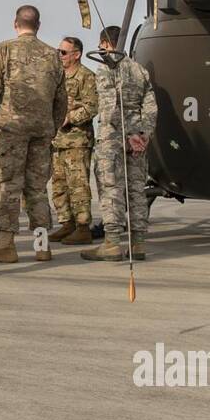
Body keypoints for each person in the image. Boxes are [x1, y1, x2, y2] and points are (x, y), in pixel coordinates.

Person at [0, 5, 66, 264]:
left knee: (8, 186)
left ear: (16, 23)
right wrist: (52, 126)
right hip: (42, 130)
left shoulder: (4, 50)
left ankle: (5, 245)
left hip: (12, 129)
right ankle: (42, 246)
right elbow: (61, 99)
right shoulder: (53, 55)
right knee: (37, 188)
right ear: (38, 25)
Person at [81, 26, 157, 262]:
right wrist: (143, 135)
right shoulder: (140, 70)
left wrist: (130, 134)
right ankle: (139, 243)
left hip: (113, 139)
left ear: (106, 44)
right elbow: (151, 108)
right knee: (136, 191)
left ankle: (112, 243)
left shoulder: (106, 68)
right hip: (138, 143)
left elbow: (111, 107)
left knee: (112, 189)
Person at [50, 36, 99, 245]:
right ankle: (66, 223)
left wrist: (70, 117)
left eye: (63, 52)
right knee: (59, 186)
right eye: (58, 51)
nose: (59, 55)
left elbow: (92, 106)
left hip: (77, 141)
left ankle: (82, 227)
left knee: (78, 185)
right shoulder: (57, 77)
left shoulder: (87, 77)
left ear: (76, 54)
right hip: (58, 141)